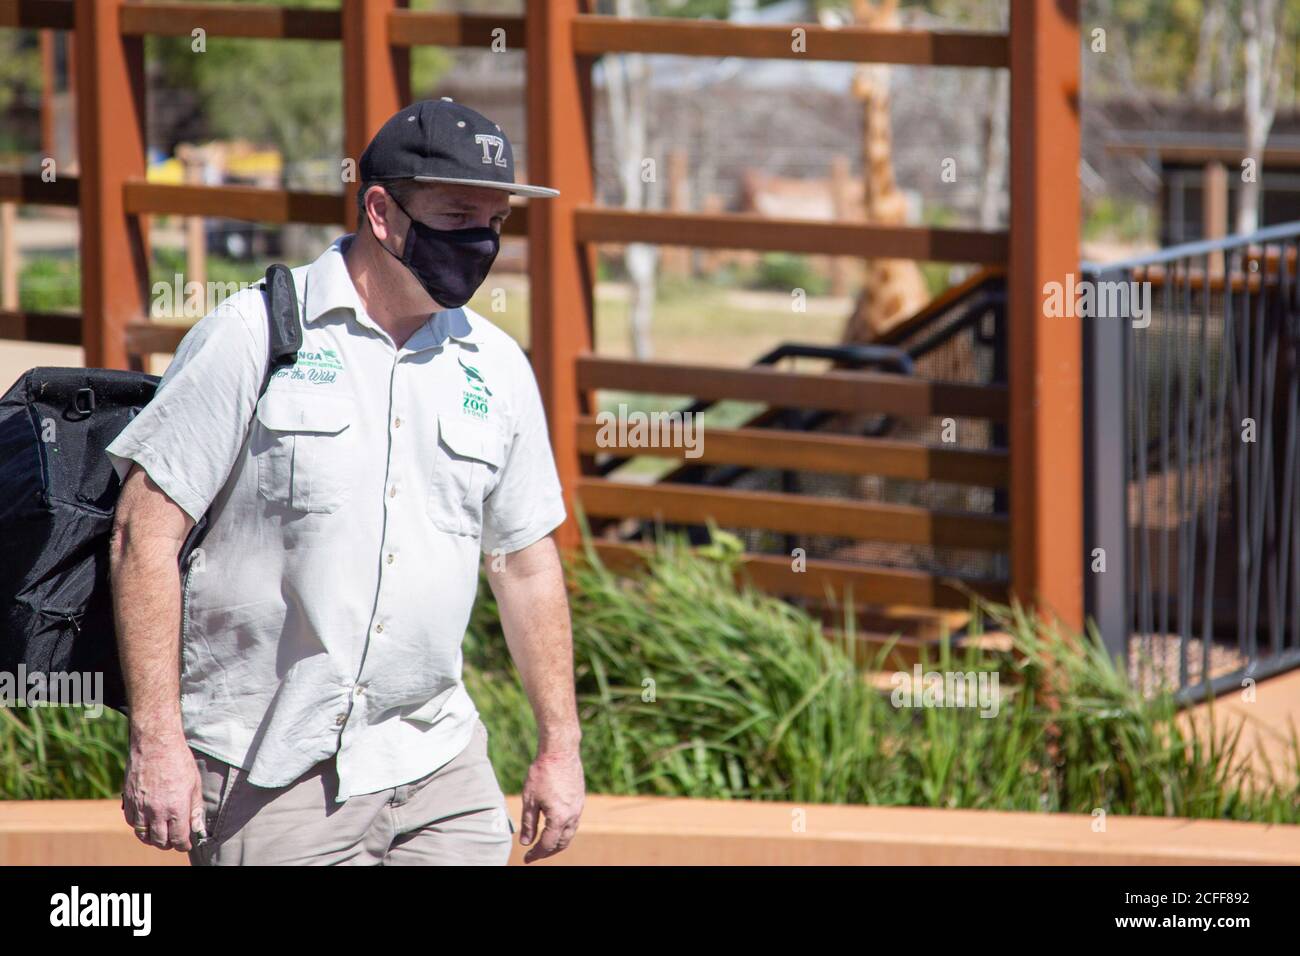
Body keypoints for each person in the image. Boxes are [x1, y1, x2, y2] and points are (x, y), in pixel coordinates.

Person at [106, 99, 584, 865]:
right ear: (382, 212)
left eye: (496, 222)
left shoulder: (497, 366)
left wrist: (560, 747)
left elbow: (525, 564)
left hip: (438, 766)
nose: (482, 242)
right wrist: (158, 741)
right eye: (460, 214)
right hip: (273, 770)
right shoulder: (253, 334)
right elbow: (142, 535)